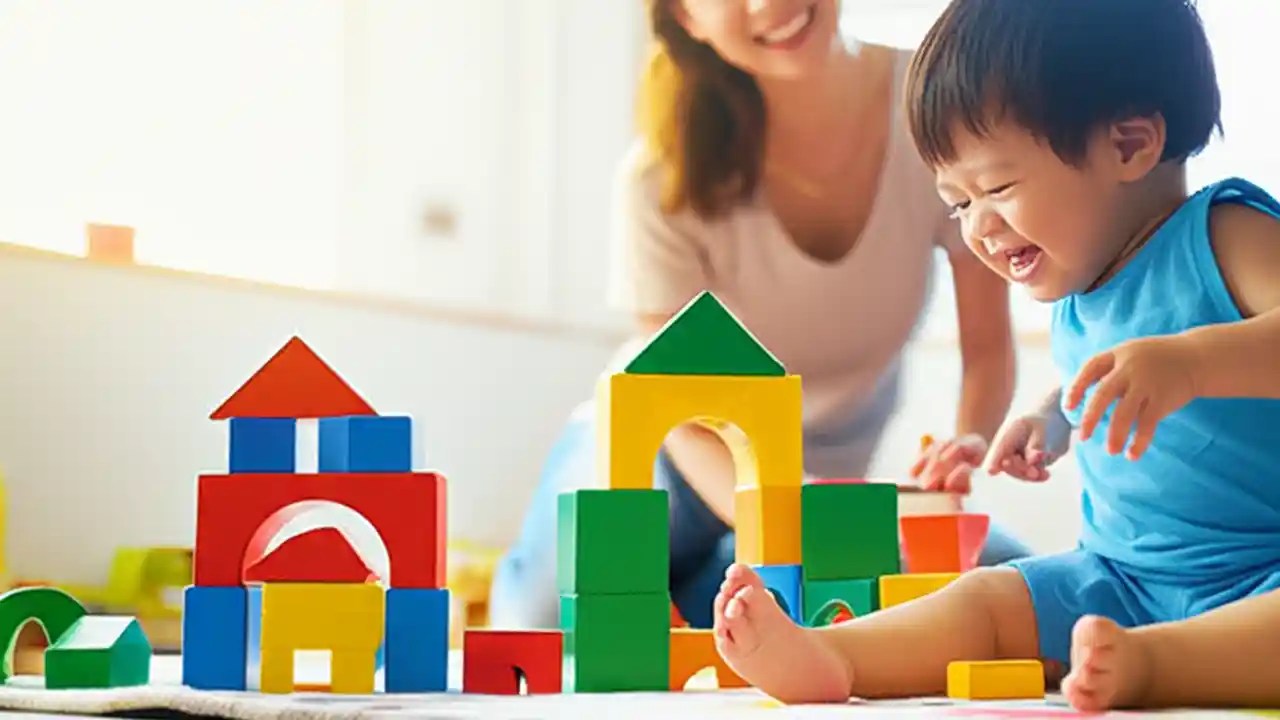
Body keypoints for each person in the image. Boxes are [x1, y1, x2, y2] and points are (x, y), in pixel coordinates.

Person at [711, 0, 1280, 712]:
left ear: (1129, 145)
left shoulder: (1226, 234)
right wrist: (1050, 420)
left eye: (998, 188)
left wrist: (1191, 362)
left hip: (1262, 573)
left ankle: (1155, 665)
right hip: (1120, 581)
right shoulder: (1083, 286)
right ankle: (837, 657)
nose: (977, 229)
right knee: (990, 598)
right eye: (956, 204)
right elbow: (1096, 383)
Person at [488, 0, 1035, 631]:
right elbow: (677, 414)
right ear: (686, 19)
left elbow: (989, 350)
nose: (768, 5)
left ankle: (710, 580)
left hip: (822, 483)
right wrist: (780, 521)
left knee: (1004, 585)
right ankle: (707, 568)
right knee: (545, 624)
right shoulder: (660, 175)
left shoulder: (935, 115)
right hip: (665, 457)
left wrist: (962, 452)